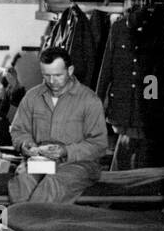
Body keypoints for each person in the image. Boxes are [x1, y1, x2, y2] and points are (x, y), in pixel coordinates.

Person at [7, 46, 107, 205]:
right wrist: (25, 144)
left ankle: (29, 226)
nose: (52, 81)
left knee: (53, 184)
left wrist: (66, 151)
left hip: (78, 164)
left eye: (58, 75)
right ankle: (23, 226)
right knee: (23, 181)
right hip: (40, 161)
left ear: (70, 70)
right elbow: (19, 130)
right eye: (47, 75)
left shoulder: (89, 100)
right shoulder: (32, 96)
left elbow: (99, 144)